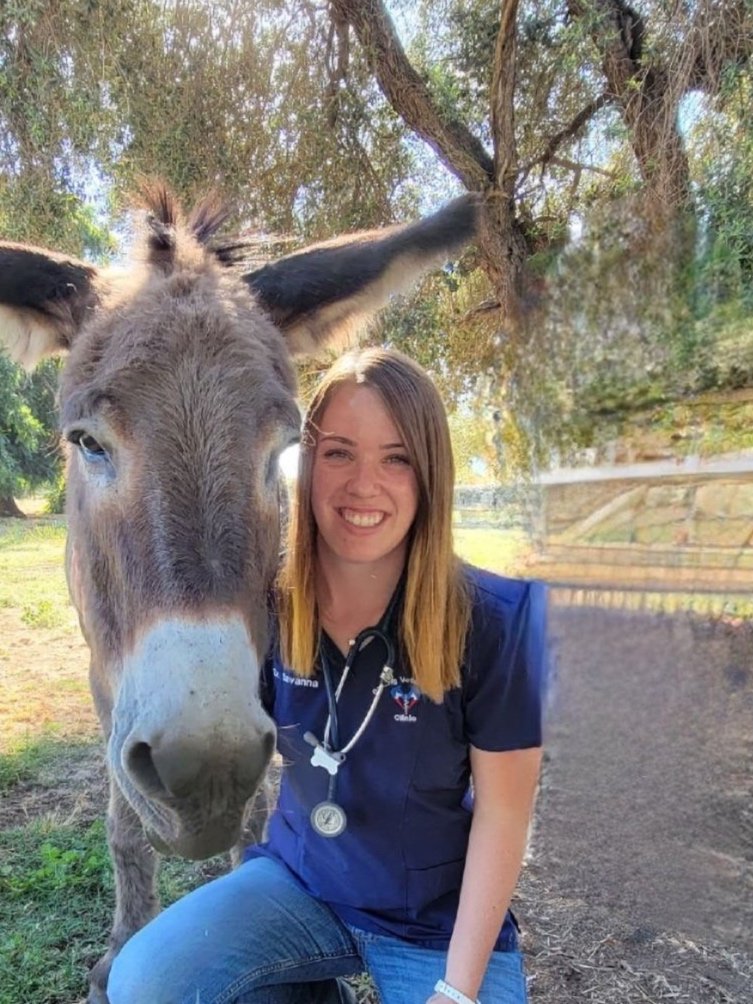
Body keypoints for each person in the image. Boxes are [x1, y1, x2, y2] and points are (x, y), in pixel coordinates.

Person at [108, 347, 548, 1004]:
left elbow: (503, 816)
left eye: (395, 457)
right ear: (306, 469)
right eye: (339, 452)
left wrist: (456, 991)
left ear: (430, 475)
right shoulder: (266, 606)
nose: (362, 484)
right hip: (301, 884)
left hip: (432, 921)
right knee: (143, 982)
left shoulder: (498, 620)